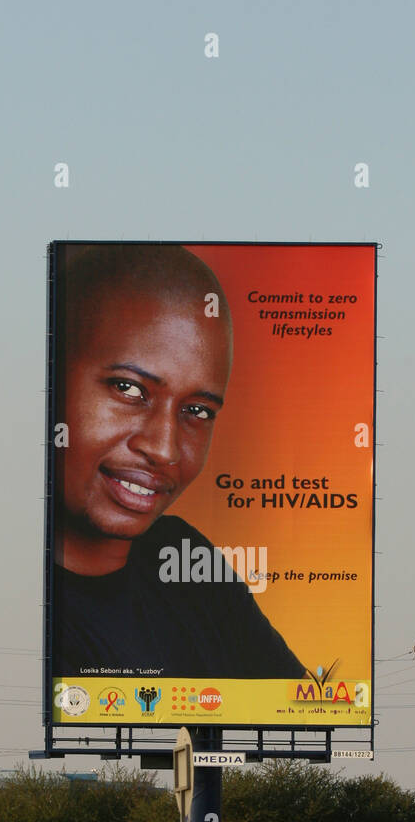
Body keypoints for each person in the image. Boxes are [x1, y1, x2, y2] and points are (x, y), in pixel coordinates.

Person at [51, 243, 305, 678]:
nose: (165, 449)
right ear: (51, 377)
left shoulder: (181, 558)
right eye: (129, 389)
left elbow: (303, 708)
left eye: (197, 411)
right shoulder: (19, 598)